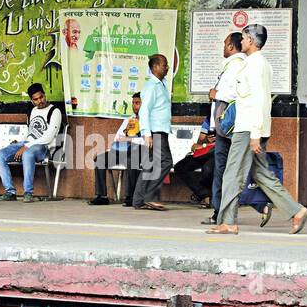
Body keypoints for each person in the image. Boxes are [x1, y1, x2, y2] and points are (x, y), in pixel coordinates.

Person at [208, 24, 307, 236]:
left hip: (247, 129)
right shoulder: (258, 64)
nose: (242, 42)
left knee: (232, 174)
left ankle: (228, 222)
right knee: (261, 173)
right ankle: (296, 211)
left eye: (244, 38)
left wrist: (255, 135)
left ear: (252, 41)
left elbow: (258, 101)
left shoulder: (255, 66)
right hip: (253, 128)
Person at [204, 31, 247, 225]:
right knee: (229, 169)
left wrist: (216, 93)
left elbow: (236, 94)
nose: (223, 47)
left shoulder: (236, 66)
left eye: (225, 44)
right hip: (225, 125)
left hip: (228, 126)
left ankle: (218, 212)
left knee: (224, 170)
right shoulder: (233, 65)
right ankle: (219, 211)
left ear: (231, 46)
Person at [0, 83, 63, 202]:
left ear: (45, 95)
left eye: (41, 97)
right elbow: (30, 132)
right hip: (27, 144)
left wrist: (26, 146)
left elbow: (48, 137)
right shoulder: (32, 111)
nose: (40, 101)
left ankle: (28, 193)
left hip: (44, 147)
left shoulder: (54, 111)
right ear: (32, 100)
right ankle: (10, 192)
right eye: (36, 99)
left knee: (27, 154)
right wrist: (20, 142)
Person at [132, 53, 172, 211]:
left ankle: (138, 200)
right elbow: (144, 111)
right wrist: (146, 133)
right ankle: (150, 196)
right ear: (155, 67)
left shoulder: (161, 84)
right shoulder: (151, 86)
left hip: (160, 130)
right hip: (155, 131)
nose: (167, 67)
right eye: (164, 65)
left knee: (149, 166)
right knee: (166, 162)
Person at [89, 92, 144, 205]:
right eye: (133, 103)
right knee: (100, 159)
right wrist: (125, 134)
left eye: (137, 103)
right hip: (122, 150)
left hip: (139, 151)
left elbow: (146, 141)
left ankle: (131, 196)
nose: (134, 106)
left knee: (131, 160)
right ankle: (102, 196)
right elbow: (117, 138)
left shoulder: (148, 121)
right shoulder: (129, 120)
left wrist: (129, 139)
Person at [172, 121, 218, 205]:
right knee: (180, 167)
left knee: (208, 168)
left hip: (219, 154)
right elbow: (200, 141)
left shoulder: (228, 117)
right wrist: (205, 141)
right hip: (205, 152)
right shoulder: (209, 120)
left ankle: (205, 196)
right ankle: (204, 195)